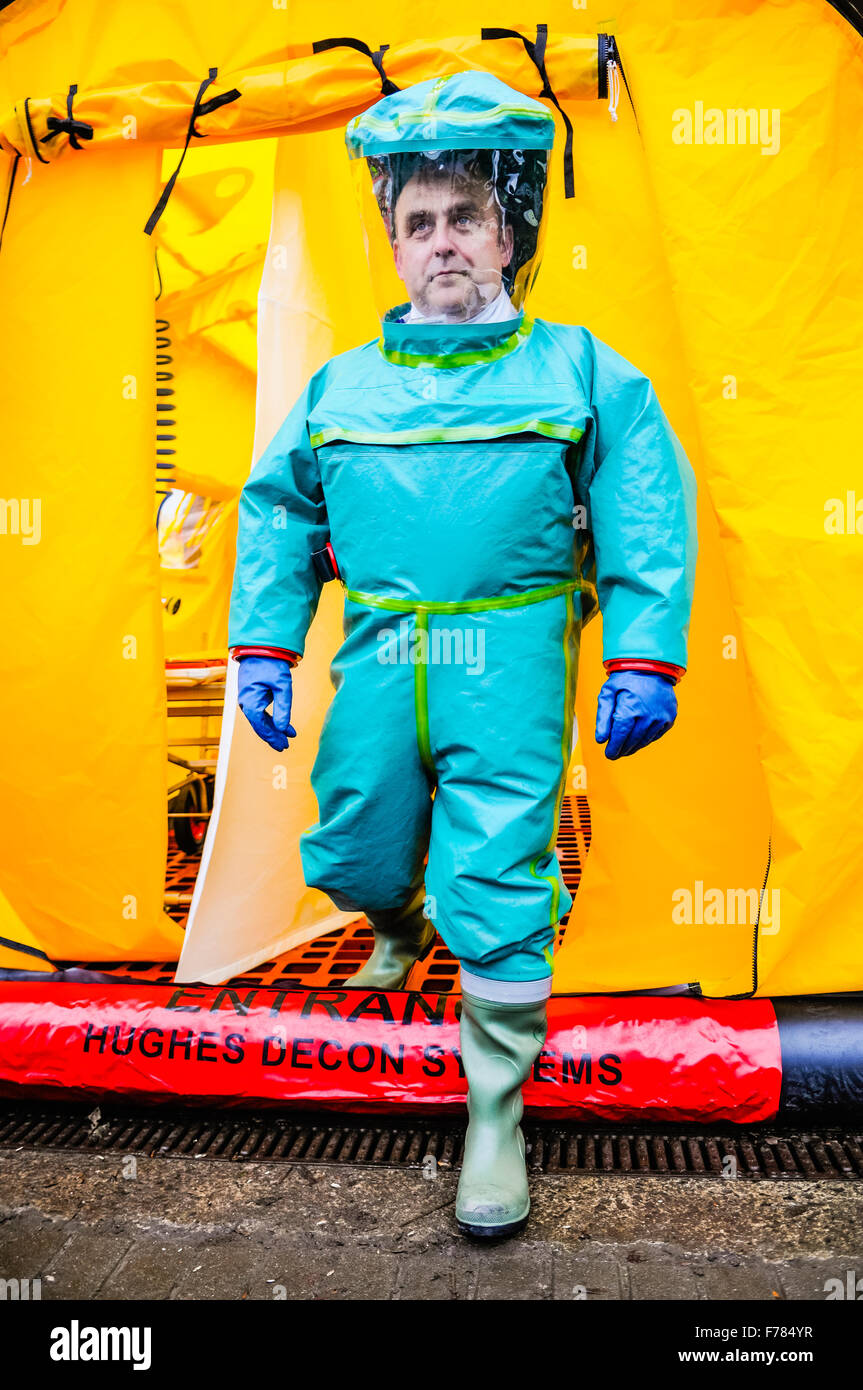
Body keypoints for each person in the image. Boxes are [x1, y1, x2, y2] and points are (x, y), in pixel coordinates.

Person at [228, 71, 697, 1239]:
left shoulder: (581, 372)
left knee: (494, 869)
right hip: (381, 654)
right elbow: (279, 509)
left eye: (464, 217)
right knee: (356, 829)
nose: (442, 242)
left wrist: (644, 651)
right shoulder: (343, 386)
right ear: (393, 245)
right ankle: (392, 921)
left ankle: (494, 1113)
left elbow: (644, 500)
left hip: (516, 654)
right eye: (418, 222)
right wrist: (265, 645)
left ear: (508, 231)